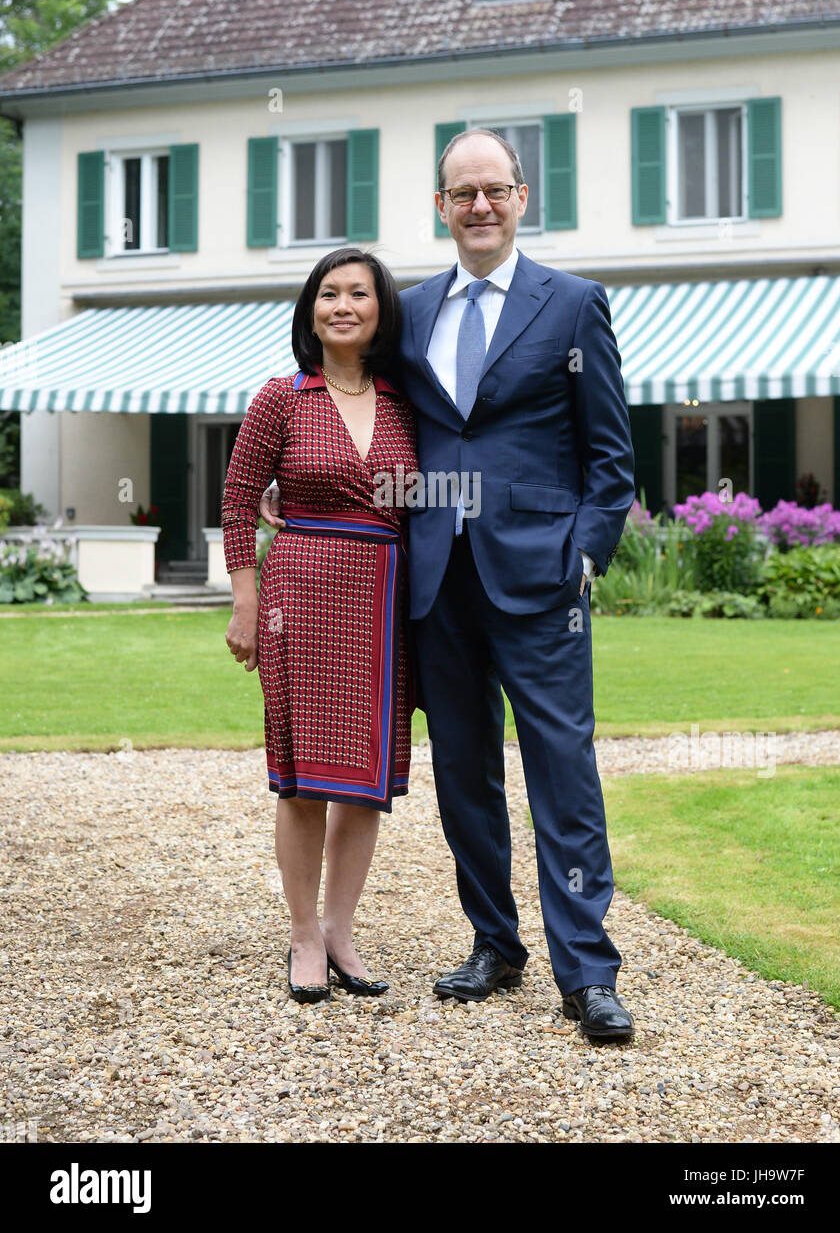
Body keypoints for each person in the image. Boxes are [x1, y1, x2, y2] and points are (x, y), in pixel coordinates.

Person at [261, 128, 637, 1041]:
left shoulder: (574, 305)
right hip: (432, 584)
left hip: (541, 580)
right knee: (464, 776)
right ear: (441, 207)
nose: (478, 206)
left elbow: (611, 455)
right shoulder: (410, 312)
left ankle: (585, 972)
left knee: (562, 774)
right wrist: (294, 480)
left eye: (493, 191)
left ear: (519, 198)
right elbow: (352, 397)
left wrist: (582, 553)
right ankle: (494, 943)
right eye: (461, 193)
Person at [221, 247, 418, 1003]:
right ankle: (303, 935)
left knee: (364, 785)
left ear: (380, 310)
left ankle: (341, 928)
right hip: (298, 597)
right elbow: (239, 500)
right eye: (328, 293)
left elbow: (425, 493)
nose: (342, 305)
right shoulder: (283, 397)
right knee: (303, 781)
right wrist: (245, 600)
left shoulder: (407, 401)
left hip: (383, 599)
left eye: (358, 294)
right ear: (310, 310)